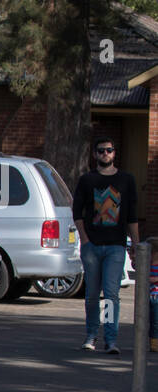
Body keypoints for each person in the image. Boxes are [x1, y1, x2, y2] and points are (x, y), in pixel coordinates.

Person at [73, 137, 140, 354]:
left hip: (115, 246)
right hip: (92, 245)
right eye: (101, 151)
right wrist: (84, 239)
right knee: (92, 294)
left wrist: (136, 245)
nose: (105, 154)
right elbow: (77, 212)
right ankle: (91, 334)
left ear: (114, 153)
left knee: (111, 294)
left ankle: (110, 340)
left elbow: (131, 215)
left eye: (109, 150)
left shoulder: (126, 180)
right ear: (95, 154)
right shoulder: (87, 180)